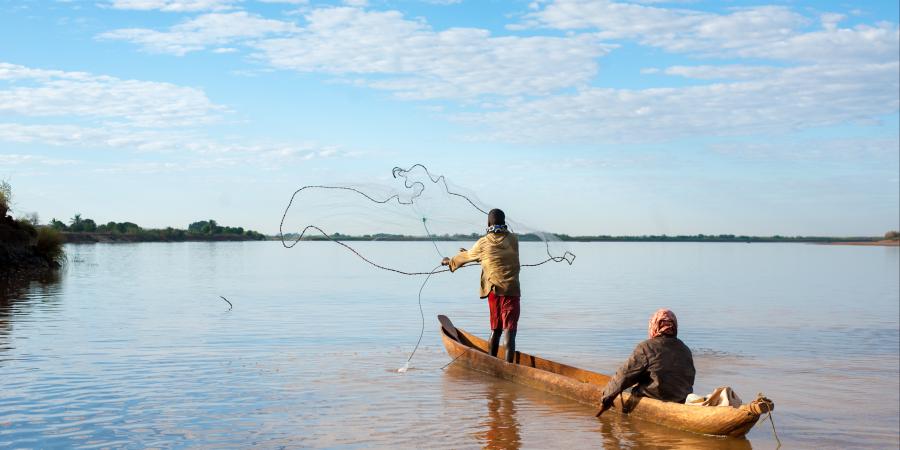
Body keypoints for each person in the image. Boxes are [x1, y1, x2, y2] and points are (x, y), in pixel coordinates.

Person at [441, 208, 521, 363]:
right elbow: (497, 255)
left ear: (488, 223)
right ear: (504, 222)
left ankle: (491, 363)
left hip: (494, 292)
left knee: (496, 330)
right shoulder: (513, 240)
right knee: (510, 332)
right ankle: (508, 366)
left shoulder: (483, 243)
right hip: (511, 291)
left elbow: (467, 257)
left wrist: (448, 261)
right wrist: (478, 255)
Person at [596, 309, 695, 416]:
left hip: (656, 397)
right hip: (681, 398)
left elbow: (624, 375)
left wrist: (606, 398)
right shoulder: (685, 349)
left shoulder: (646, 347)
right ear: (674, 327)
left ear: (654, 325)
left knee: (624, 388)